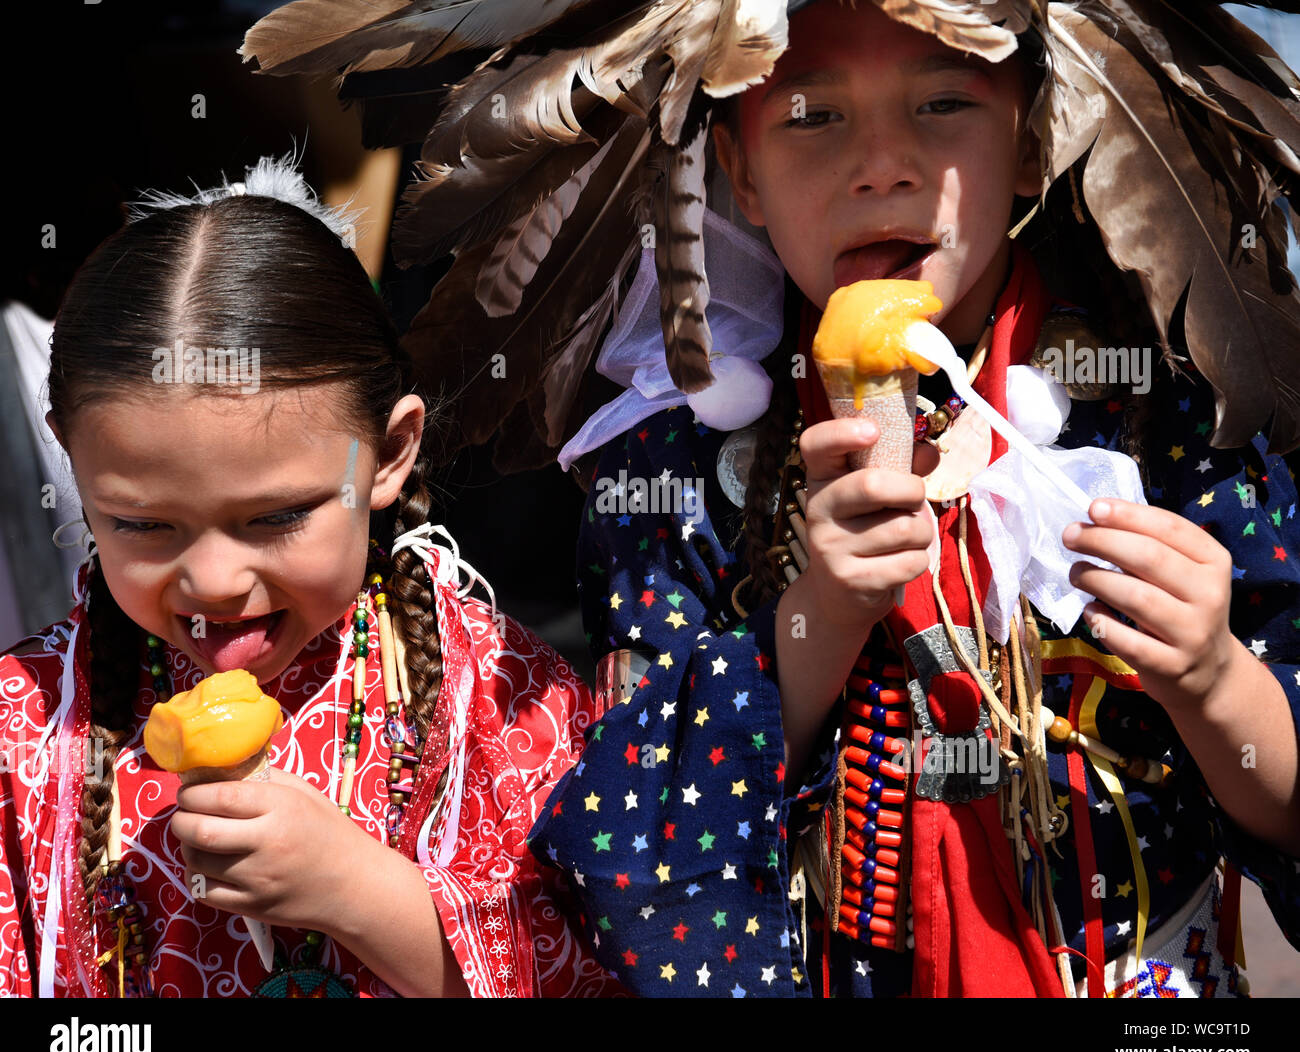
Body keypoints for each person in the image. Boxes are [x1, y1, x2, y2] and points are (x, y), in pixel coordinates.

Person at [239, 1, 1300, 997]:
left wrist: (1214, 677)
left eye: (942, 104)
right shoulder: (678, 473)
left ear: (1028, 142)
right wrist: (814, 621)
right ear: (739, 176)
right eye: (811, 117)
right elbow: (623, 852)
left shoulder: (1161, 414)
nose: (881, 167)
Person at [0, 156, 619, 998]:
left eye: (277, 516)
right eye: (143, 524)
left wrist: (359, 891)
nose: (215, 580)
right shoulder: (26, 730)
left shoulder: (500, 697)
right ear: (74, 463)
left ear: (391, 453)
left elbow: (597, 971)